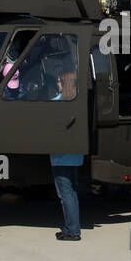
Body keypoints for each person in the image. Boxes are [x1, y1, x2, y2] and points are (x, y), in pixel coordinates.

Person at [50, 70, 84, 241]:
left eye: (58, 81)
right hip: (76, 156)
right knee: (72, 192)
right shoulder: (78, 102)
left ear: (64, 83)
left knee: (65, 194)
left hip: (60, 157)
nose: (57, 84)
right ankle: (73, 226)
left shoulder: (56, 103)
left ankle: (72, 230)